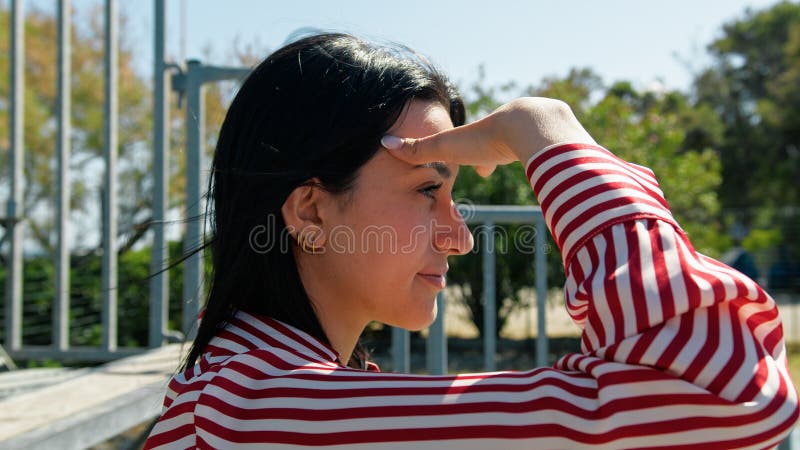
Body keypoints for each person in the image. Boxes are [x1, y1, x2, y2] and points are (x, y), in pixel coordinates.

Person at [144, 33, 798, 449]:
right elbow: (721, 393)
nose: (459, 238)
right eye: (429, 190)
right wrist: (552, 133)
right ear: (310, 213)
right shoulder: (261, 412)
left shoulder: (245, 388)